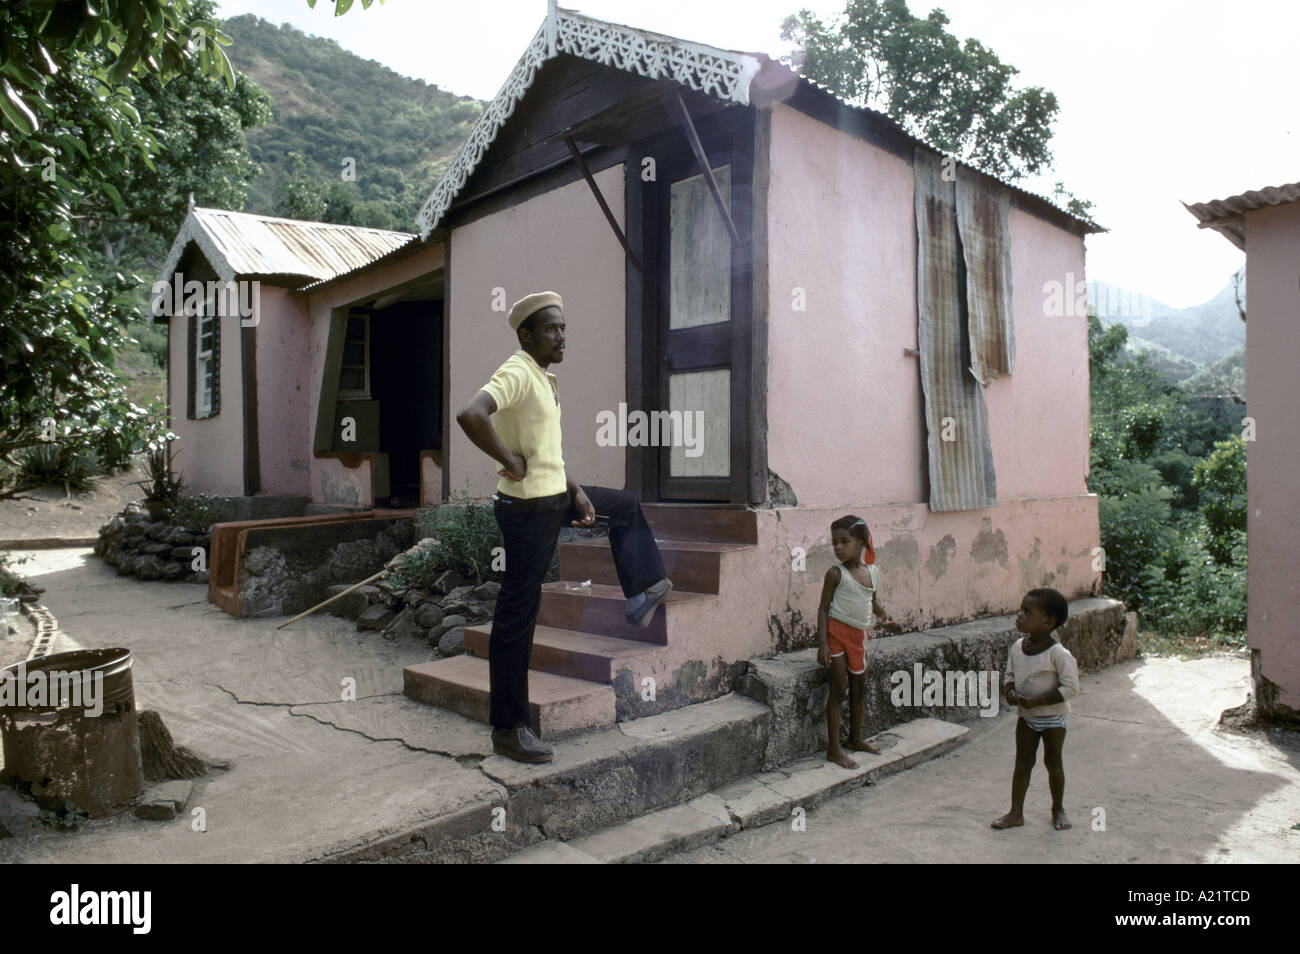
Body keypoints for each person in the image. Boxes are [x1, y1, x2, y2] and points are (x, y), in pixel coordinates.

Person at [455, 291, 673, 764]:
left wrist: (575, 488)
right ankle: (509, 729)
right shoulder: (516, 370)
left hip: (554, 498)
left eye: (564, 328)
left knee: (625, 506)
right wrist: (507, 459)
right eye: (551, 329)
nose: (562, 336)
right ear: (526, 335)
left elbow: (548, 449)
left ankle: (642, 592)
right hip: (527, 513)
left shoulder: (545, 379)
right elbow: (471, 414)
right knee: (518, 615)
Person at [992, 587, 1080, 831]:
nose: (1019, 616)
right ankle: (1016, 812)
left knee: (1054, 764)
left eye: (1027, 612)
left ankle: (1058, 809)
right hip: (1027, 718)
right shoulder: (1017, 647)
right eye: (1021, 610)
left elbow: (1071, 687)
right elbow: (1009, 675)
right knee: (1022, 764)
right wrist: (1009, 691)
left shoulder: (1058, 654)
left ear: (1047, 622)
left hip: (1053, 719)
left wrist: (1039, 701)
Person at [816, 515, 892, 769]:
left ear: (861, 542)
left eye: (844, 541)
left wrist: (883, 614)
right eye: (834, 542)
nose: (837, 547)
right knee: (839, 690)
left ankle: (855, 738)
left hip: (859, 637)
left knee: (860, 688)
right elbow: (824, 609)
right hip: (837, 636)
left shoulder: (872, 573)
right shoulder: (835, 574)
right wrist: (823, 645)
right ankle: (833, 748)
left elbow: (872, 600)